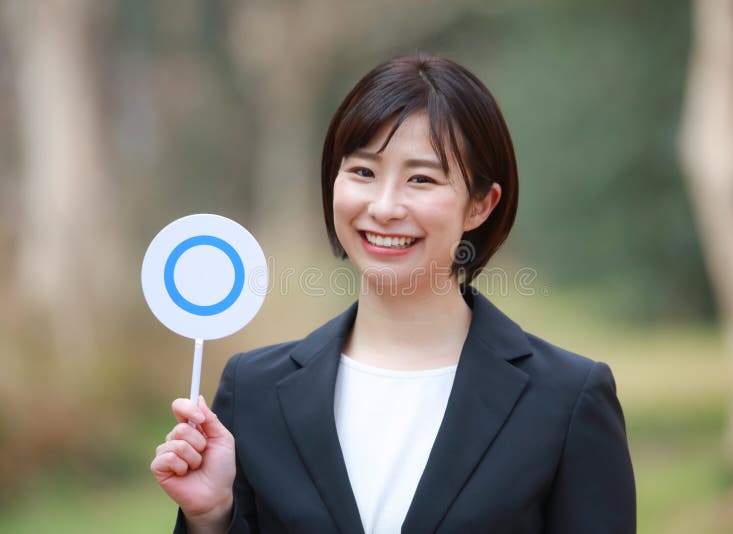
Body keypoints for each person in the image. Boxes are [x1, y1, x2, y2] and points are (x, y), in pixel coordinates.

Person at [151, 54, 636, 534]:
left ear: (481, 204)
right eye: (363, 172)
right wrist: (211, 517)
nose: (383, 207)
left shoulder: (566, 400)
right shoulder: (253, 389)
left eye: (421, 179)